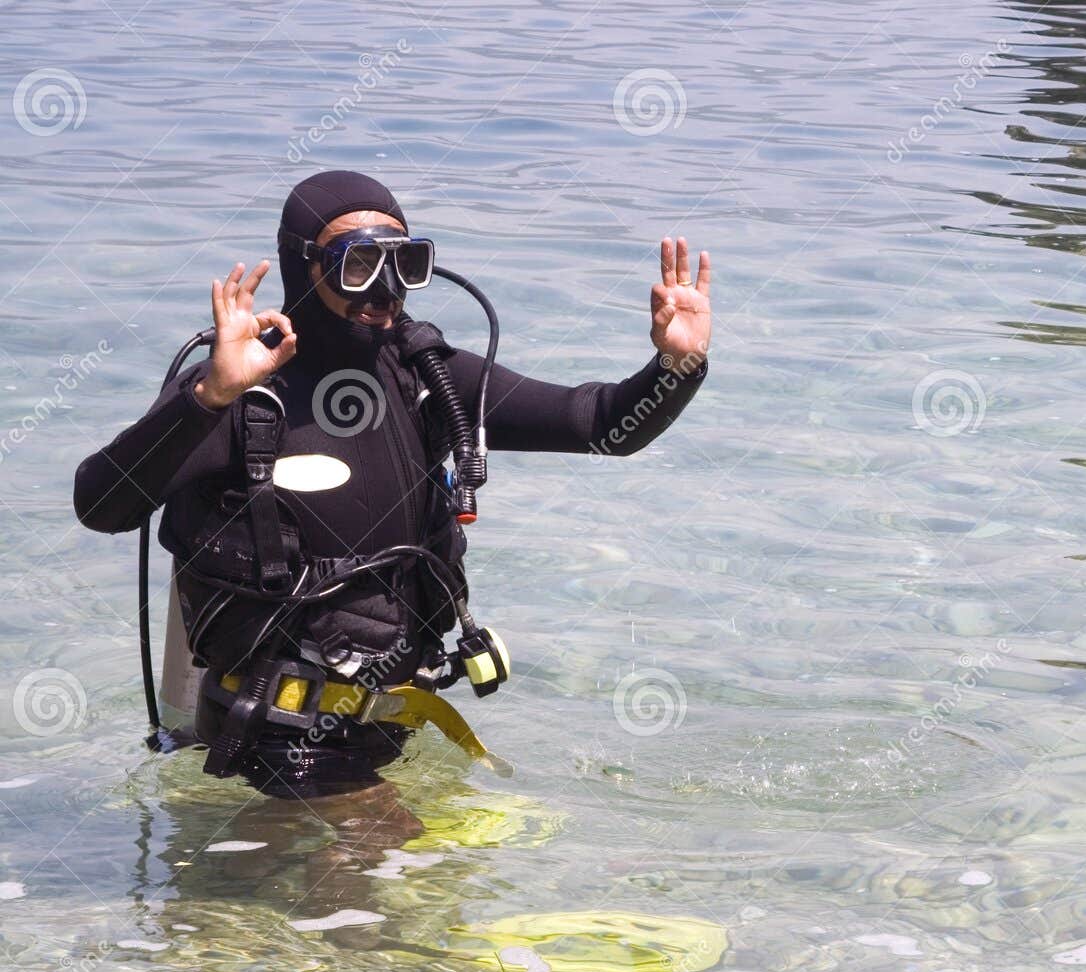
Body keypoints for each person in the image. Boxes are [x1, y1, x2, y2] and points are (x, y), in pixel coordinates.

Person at [74, 170, 711, 800]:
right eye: (358, 265)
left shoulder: (423, 373)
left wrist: (676, 365)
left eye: (405, 263)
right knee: (398, 886)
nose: (384, 290)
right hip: (278, 741)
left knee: (434, 884)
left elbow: (600, 424)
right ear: (304, 269)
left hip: (392, 729)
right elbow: (102, 503)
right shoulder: (242, 390)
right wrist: (208, 398)